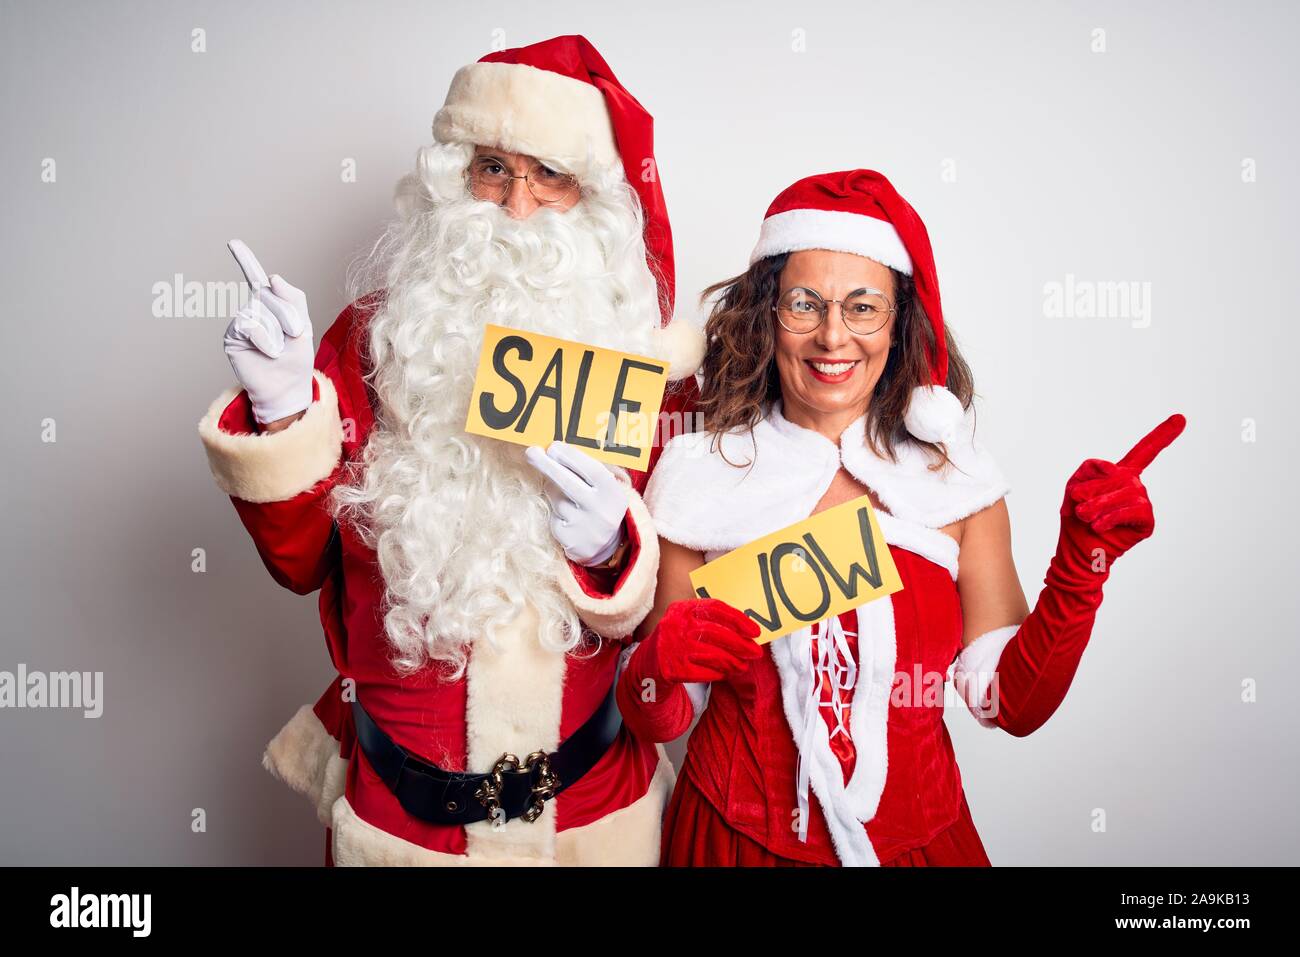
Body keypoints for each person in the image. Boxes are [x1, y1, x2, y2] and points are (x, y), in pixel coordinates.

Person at [196, 35, 705, 866]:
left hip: (585, 822)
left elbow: (679, 634)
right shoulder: (377, 338)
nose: (515, 206)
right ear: (455, 178)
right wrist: (285, 406)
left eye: (550, 175)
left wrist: (614, 551)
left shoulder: (645, 374)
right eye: (493, 169)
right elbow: (302, 562)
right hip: (399, 828)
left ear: (597, 203)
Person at [617, 169, 1185, 866]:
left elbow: (1012, 704)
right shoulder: (698, 476)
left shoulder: (957, 480)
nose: (833, 336)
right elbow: (656, 715)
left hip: (919, 845)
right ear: (768, 313)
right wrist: (656, 665)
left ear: (898, 322)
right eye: (804, 304)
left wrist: (1082, 566)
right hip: (731, 843)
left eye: (863, 308)